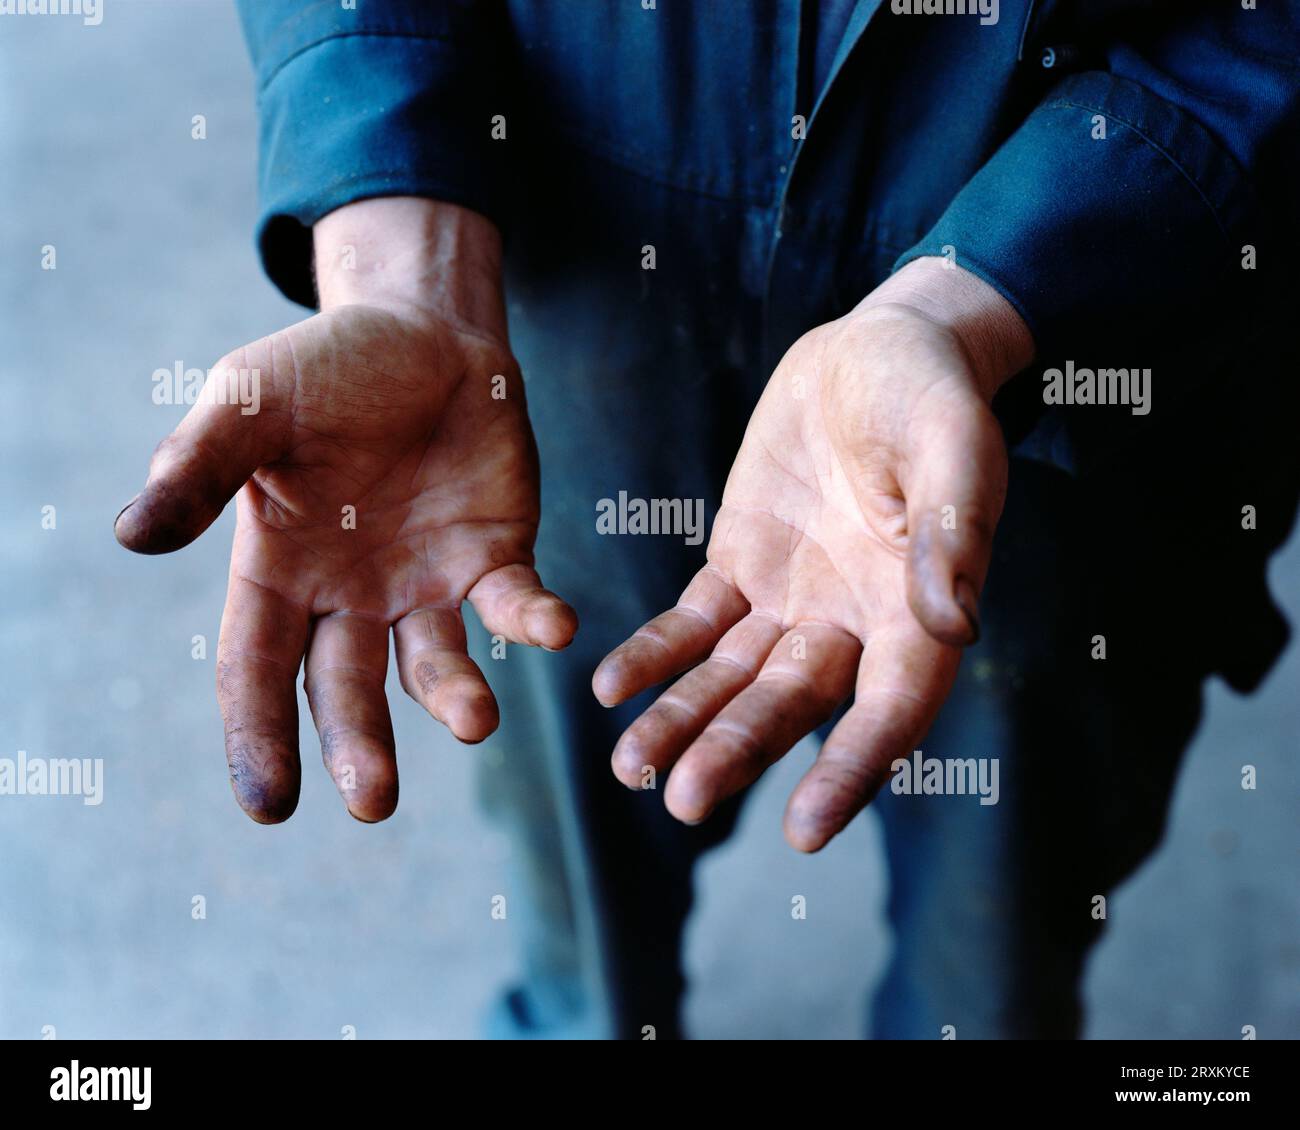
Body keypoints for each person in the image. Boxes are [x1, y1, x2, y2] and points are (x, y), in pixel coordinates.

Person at [114, 1, 1300, 1039]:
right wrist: (403, 266)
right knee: (573, 796)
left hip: (1076, 331)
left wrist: (985, 297)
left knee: (996, 909)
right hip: (572, 287)